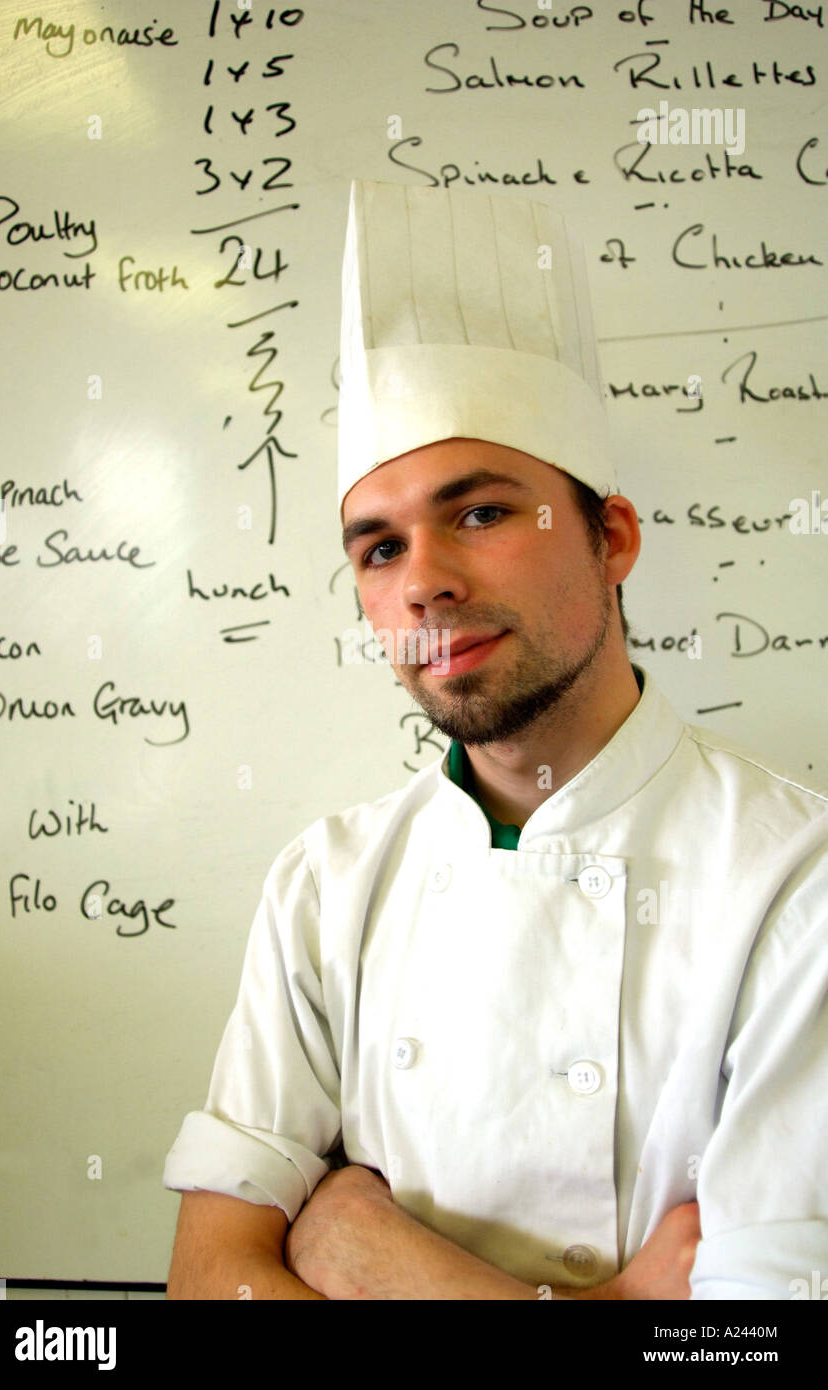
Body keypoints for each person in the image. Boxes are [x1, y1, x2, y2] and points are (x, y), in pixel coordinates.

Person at [163, 181, 828, 1300]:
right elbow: (209, 1282)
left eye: (478, 513)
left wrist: (364, 1252)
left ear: (608, 536)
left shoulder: (790, 879)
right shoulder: (324, 886)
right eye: (376, 548)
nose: (422, 579)